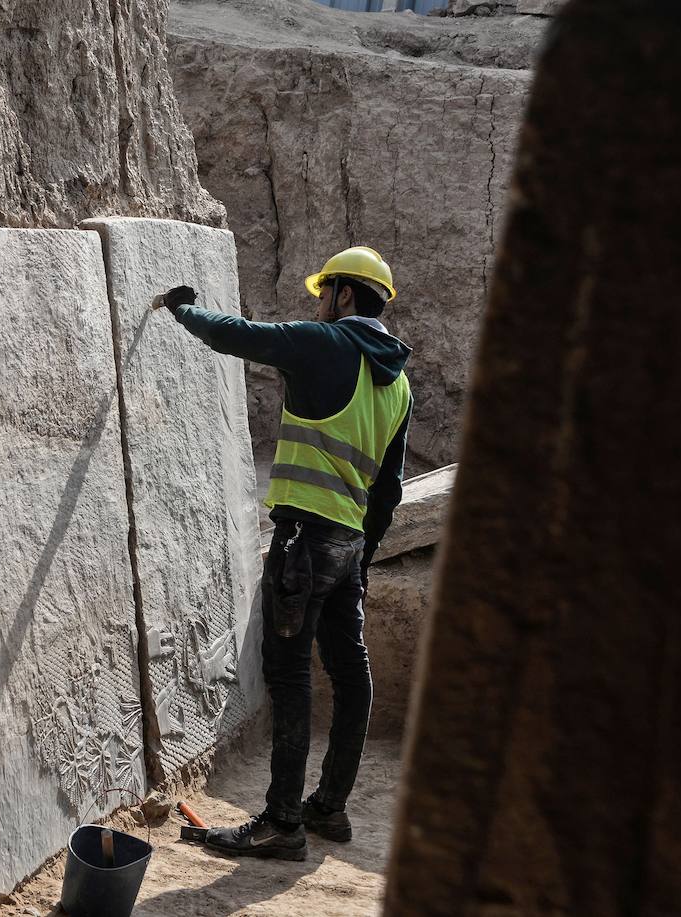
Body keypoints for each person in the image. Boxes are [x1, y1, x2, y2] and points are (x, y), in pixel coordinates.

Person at [154, 246, 413, 860]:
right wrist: (362, 556)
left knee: (289, 672)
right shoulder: (397, 380)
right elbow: (391, 488)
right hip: (347, 544)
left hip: (302, 541)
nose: (319, 302)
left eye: (325, 292)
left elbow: (241, 335)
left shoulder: (325, 344)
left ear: (345, 294)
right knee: (351, 673)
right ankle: (330, 808)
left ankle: (281, 822)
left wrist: (183, 310)